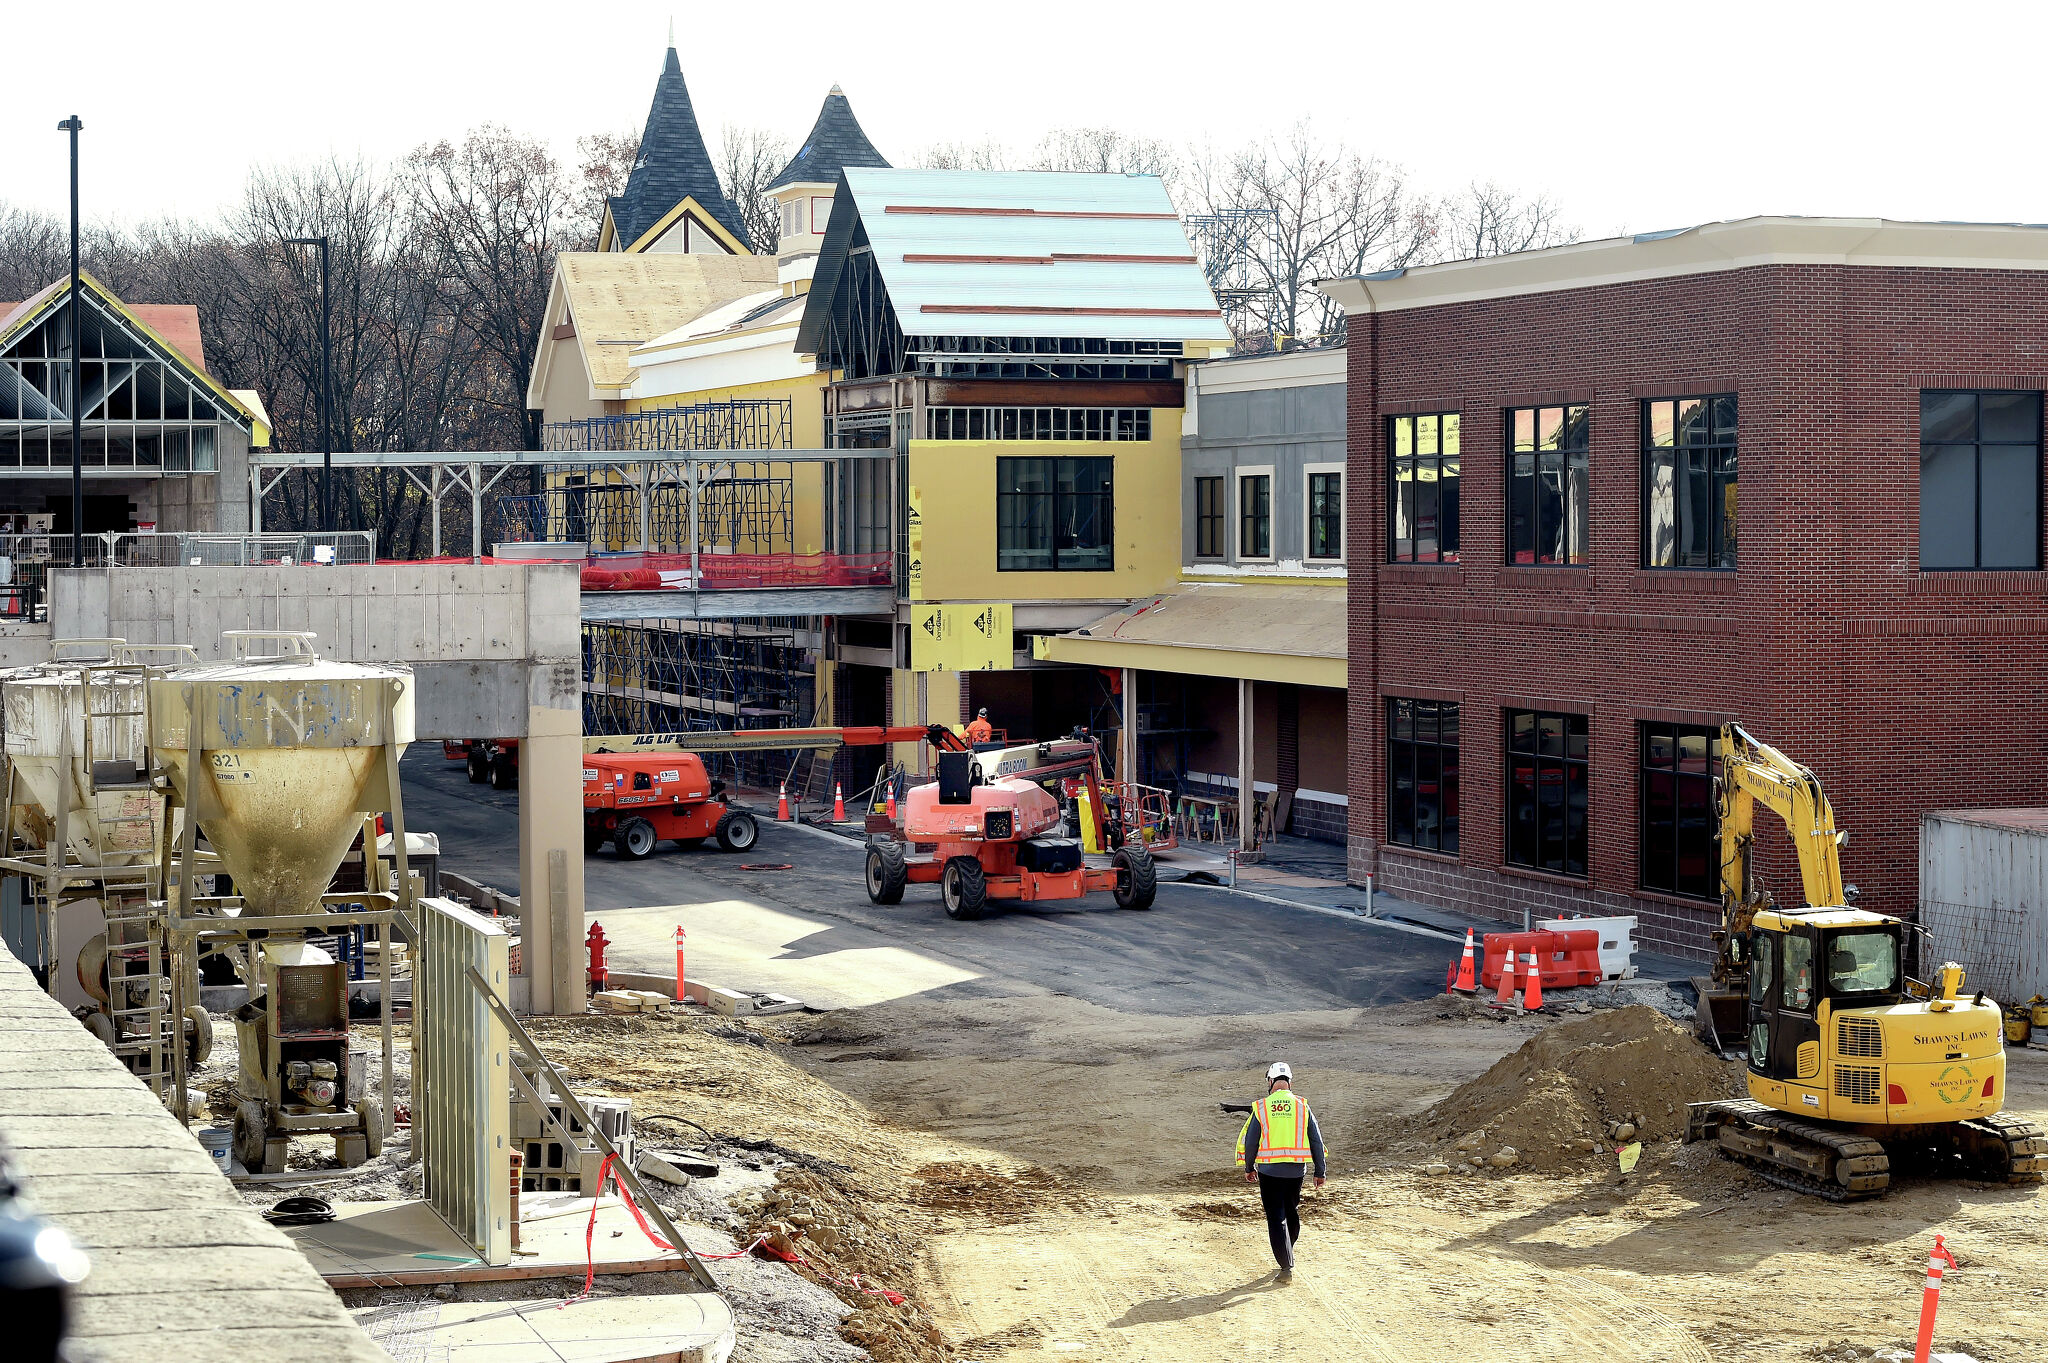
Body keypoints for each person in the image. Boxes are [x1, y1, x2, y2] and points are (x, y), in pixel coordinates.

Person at [1235, 1061, 1326, 1276]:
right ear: (1290, 1082)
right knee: (1291, 1212)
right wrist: (1320, 1171)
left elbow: (1251, 1141)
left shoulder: (1262, 1107)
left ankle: (1286, 1265)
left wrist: (1249, 1167)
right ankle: (1288, 1250)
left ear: (1270, 1081)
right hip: (1296, 1171)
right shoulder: (1302, 1105)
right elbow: (1316, 1139)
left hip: (1269, 1172)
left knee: (1276, 1217)